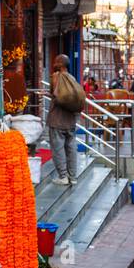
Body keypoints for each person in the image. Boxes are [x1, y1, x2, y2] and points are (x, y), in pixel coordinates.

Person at [46, 53, 86, 188]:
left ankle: (63, 176)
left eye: (56, 62)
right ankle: (73, 177)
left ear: (60, 64)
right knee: (71, 148)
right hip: (70, 120)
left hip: (57, 120)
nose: (53, 64)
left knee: (58, 149)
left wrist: (48, 94)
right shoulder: (72, 78)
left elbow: (56, 95)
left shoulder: (57, 77)